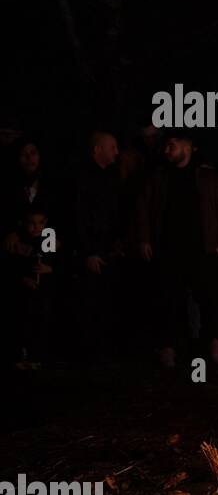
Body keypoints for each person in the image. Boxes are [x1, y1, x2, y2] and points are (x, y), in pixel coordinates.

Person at [137, 130, 218, 368]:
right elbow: (143, 207)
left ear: (187, 146)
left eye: (172, 145)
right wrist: (144, 238)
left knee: (209, 298)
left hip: (202, 248)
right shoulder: (159, 176)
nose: (166, 150)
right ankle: (168, 346)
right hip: (169, 248)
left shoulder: (208, 176)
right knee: (168, 298)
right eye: (166, 146)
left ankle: (214, 342)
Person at [74, 131, 122, 360]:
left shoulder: (108, 178)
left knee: (104, 299)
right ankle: (89, 350)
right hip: (93, 250)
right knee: (90, 300)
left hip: (105, 248)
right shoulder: (83, 179)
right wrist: (88, 251)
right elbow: (80, 217)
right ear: (97, 150)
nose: (117, 152)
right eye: (112, 147)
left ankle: (101, 348)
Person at [4, 207, 56, 368]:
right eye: (31, 223)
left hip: (43, 291)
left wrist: (51, 268)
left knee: (40, 322)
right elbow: (10, 265)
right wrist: (22, 278)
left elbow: (56, 260)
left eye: (40, 223)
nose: (36, 227)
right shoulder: (18, 241)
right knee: (21, 322)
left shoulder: (49, 239)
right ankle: (21, 355)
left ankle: (37, 356)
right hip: (22, 291)